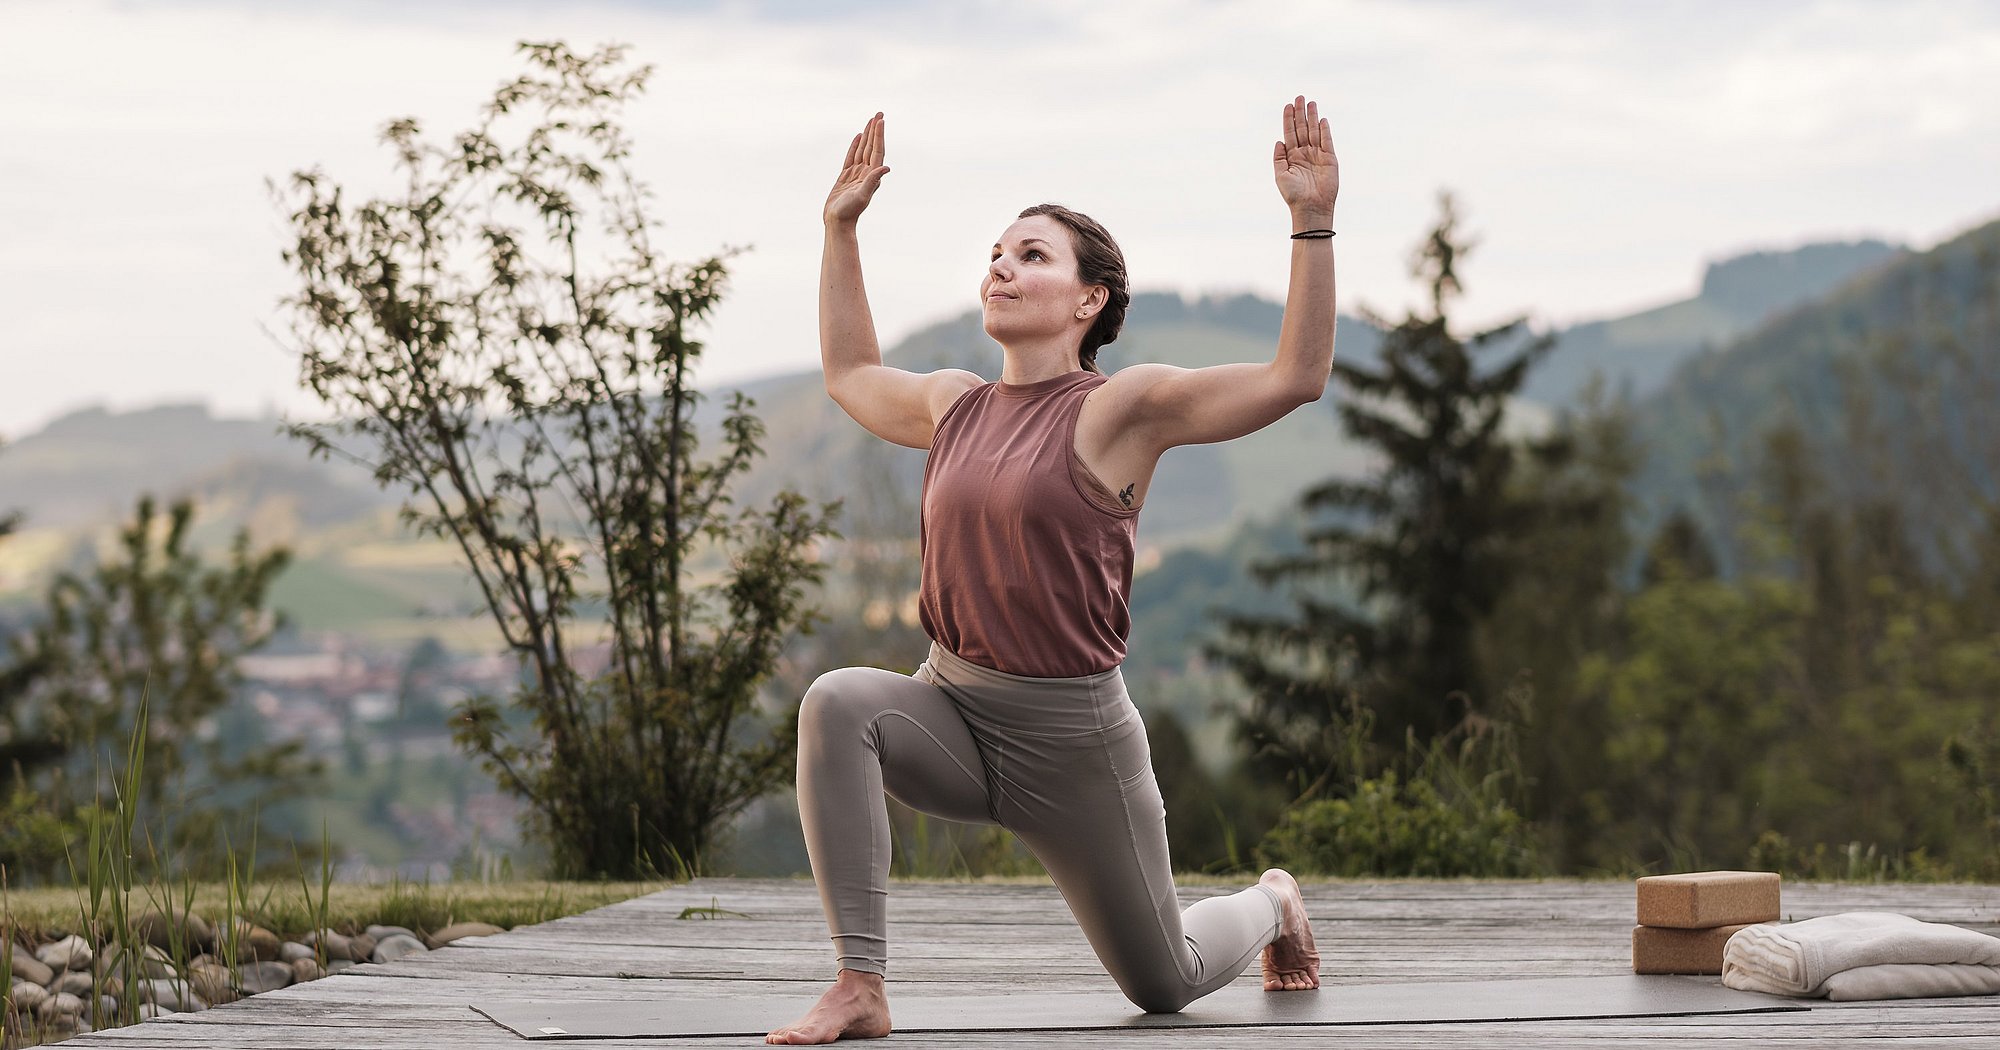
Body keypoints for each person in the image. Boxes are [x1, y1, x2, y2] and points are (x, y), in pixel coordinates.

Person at [767, 95, 1340, 1046]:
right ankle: (859, 984)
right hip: (949, 710)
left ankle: (1274, 901)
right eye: (997, 251)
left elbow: (1296, 376)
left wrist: (1310, 220)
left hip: (1074, 744)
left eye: (1032, 254)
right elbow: (849, 371)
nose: (1002, 265)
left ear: (1089, 301)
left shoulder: (1124, 410)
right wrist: (840, 227)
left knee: (1165, 983)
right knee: (837, 701)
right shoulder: (954, 405)